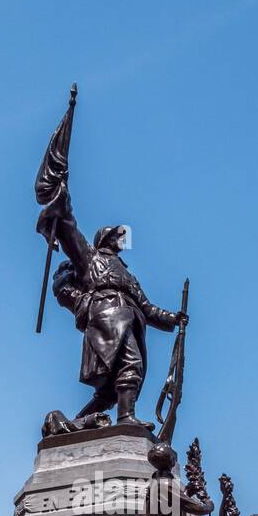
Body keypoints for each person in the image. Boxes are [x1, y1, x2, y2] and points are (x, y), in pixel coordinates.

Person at [43, 182, 186, 427]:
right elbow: (70, 232)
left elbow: (147, 308)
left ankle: (74, 425)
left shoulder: (128, 275)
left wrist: (173, 318)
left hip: (129, 320)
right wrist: (61, 201)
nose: (122, 238)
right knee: (132, 364)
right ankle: (125, 418)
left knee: (109, 392)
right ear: (106, 238)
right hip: (108, 317)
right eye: (117, 235)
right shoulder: (91, 259)